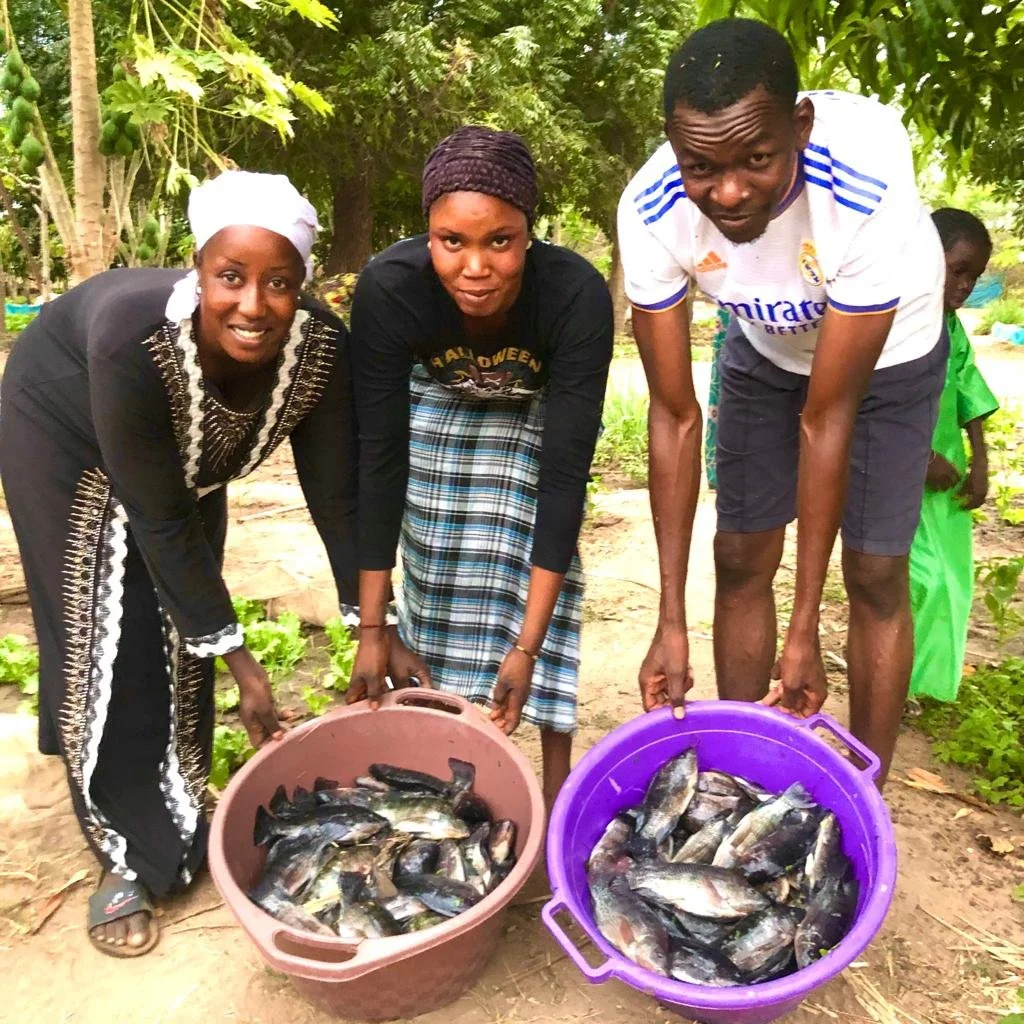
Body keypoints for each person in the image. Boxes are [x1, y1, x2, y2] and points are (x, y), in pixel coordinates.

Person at [0, 170, 403, 956]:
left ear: (304, 284)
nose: (253, 304)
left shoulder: (320, 350)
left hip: (181, 458)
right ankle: (126, 850)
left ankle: (176, 788)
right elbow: (157, 519)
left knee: (186, 624)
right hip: (61, 429)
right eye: (230, 277)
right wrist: (246, 666)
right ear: (196, 266)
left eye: (278, 283)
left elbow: (338, 498)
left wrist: (369, 623)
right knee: (104, 631)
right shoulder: (133, 338)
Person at [617, 18, 947, 781]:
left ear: (798, 126)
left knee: (872, 572)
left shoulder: (864, 181)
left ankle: (868, 785)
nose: (728, 193)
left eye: (757, 159)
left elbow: (826, 419)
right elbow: (672, 415)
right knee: (738, 557)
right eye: (701, 166)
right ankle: (743, 774)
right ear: (673, 147)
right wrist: (670, 623)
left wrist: (806, 629)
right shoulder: (651, 208)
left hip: (890, 355)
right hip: (765, 347)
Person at [347, 126, 613, 813]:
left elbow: (564, 477)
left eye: (499, 240)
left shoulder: (574, 294)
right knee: (435, 547)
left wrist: (526, 646)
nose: (475, 267)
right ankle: (433, 764)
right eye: (450, 241)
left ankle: (557, 801)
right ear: (426, 234)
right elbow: (378, 460)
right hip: (438, 399)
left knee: (528, 524)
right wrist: (374, 632)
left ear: (529, 233)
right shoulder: (390, 287)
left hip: (538, 405)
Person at [909, 208, 999, 701]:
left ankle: (928, 684)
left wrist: (979, 464)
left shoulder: (954, 330)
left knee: (951, 579)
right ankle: (897, 678)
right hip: (900, 474)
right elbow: (873, 398)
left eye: (974, 277)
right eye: (957, 270)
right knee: (917, 580)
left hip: (947, 477)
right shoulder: (897, 322)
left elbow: (969, 395)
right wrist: (921, 458)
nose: (964, 286)